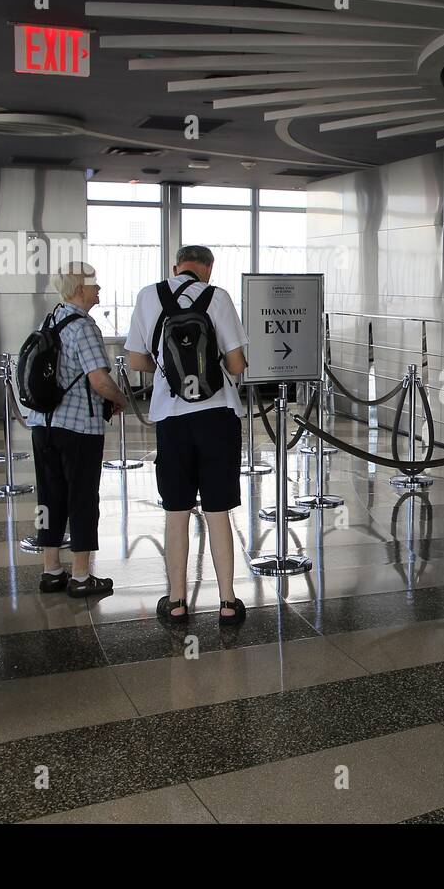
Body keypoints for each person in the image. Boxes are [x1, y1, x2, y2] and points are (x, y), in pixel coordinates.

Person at [124, 245, 249, 624]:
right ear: (208, 268)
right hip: (217, 416)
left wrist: (166, 369)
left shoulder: (150, 296)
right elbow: (237, 363)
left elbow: (134, 360)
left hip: (172, 419)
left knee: (176, 510)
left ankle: (177, 601)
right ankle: (227, 602)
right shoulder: (218, 297)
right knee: (217, 510)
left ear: (176, 266)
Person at [27, 262, 129, 596]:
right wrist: (120, 399)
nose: (98, 289)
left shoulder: (49, 319)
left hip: (42, 424)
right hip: (78, 428)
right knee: (82, 497)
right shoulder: (84, 326)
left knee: (49, 496)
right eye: (94, 284)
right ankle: (82, 576)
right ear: (79, 289)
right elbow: (98, 379)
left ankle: (51, 569)